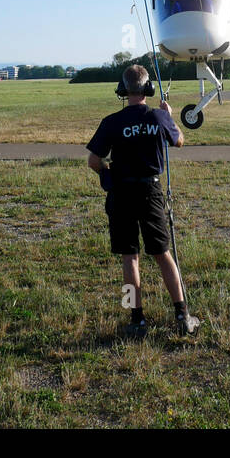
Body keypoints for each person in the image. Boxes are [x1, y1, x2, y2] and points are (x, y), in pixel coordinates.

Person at [86, 64, 200, 339]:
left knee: (130, 257)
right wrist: (168, 116)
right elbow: (180, 142)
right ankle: (183, 316)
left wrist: (107, 172)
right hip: (151, 193)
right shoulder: (159, 117)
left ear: (123, 90)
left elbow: (93, 160)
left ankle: (136, 321)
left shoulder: (111, 122)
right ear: (148, 89)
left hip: (121, 194)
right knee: (162, 254)